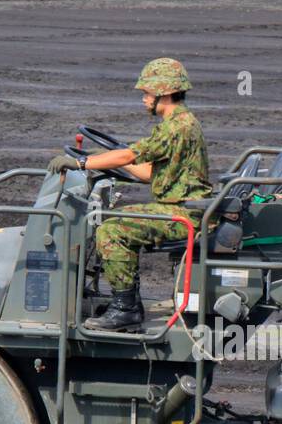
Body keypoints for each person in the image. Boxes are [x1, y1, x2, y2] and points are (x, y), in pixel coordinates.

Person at [47, 58, 211, 331]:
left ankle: (125, 309)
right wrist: (111, 160)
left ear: (165, 93)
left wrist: (82, 163)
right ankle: (126, 302)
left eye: (147, 93)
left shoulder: (177, 126)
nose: (144, 100)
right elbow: (148, 172)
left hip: (185, 213)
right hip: (184, 208)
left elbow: (130, 154)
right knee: (114, 221)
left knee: (111, 230)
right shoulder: (181, 123)